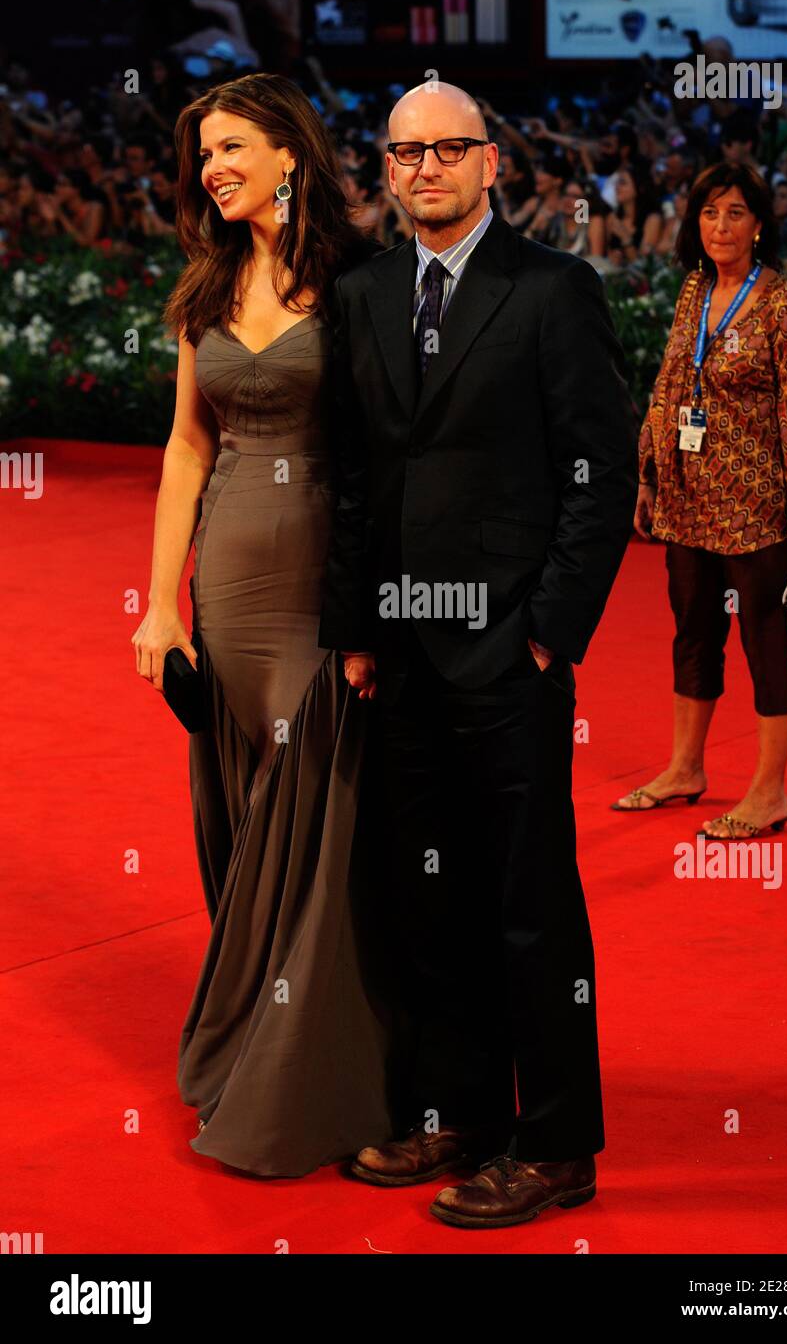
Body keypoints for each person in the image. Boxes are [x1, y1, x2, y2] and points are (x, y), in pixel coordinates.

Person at [318, 81, 637, 1227]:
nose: (425, 168)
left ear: (492, 163)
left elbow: (600, 480)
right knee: (427, 897)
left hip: (510, 656)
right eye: (405, 152)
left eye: (448, 149)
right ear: (387, 168)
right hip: (396, 656)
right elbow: (355, 480)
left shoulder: (553, 292)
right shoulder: (361, 295)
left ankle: (554, 1144)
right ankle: (459, 1113)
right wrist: (354, 628)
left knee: (526, 902)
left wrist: (550, 633)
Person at [131, 72, 398, 1177]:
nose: (212, 168)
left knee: (322, 813)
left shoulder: (356, 280)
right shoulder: (202, 288)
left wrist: (377, 603)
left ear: (290, 154)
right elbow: (187, 449)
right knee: (249, 805)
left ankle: (324, 1076)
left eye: (232, 146)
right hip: (227, 585)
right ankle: (256, 1035)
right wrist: (157, 604)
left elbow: (388, 451)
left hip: (320, 580)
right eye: (203, 155)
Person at [613, 163, 787, 838]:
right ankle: (686, 768)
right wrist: (647, 474)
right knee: (693, 632)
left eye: (735, 213)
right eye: (709, 213)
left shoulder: (785, 305)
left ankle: (769, 794)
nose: (720, 226)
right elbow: (668, 381)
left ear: (759, 224)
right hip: (686, 499)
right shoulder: (695, 290)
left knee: (766, 637)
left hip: (757, 503)